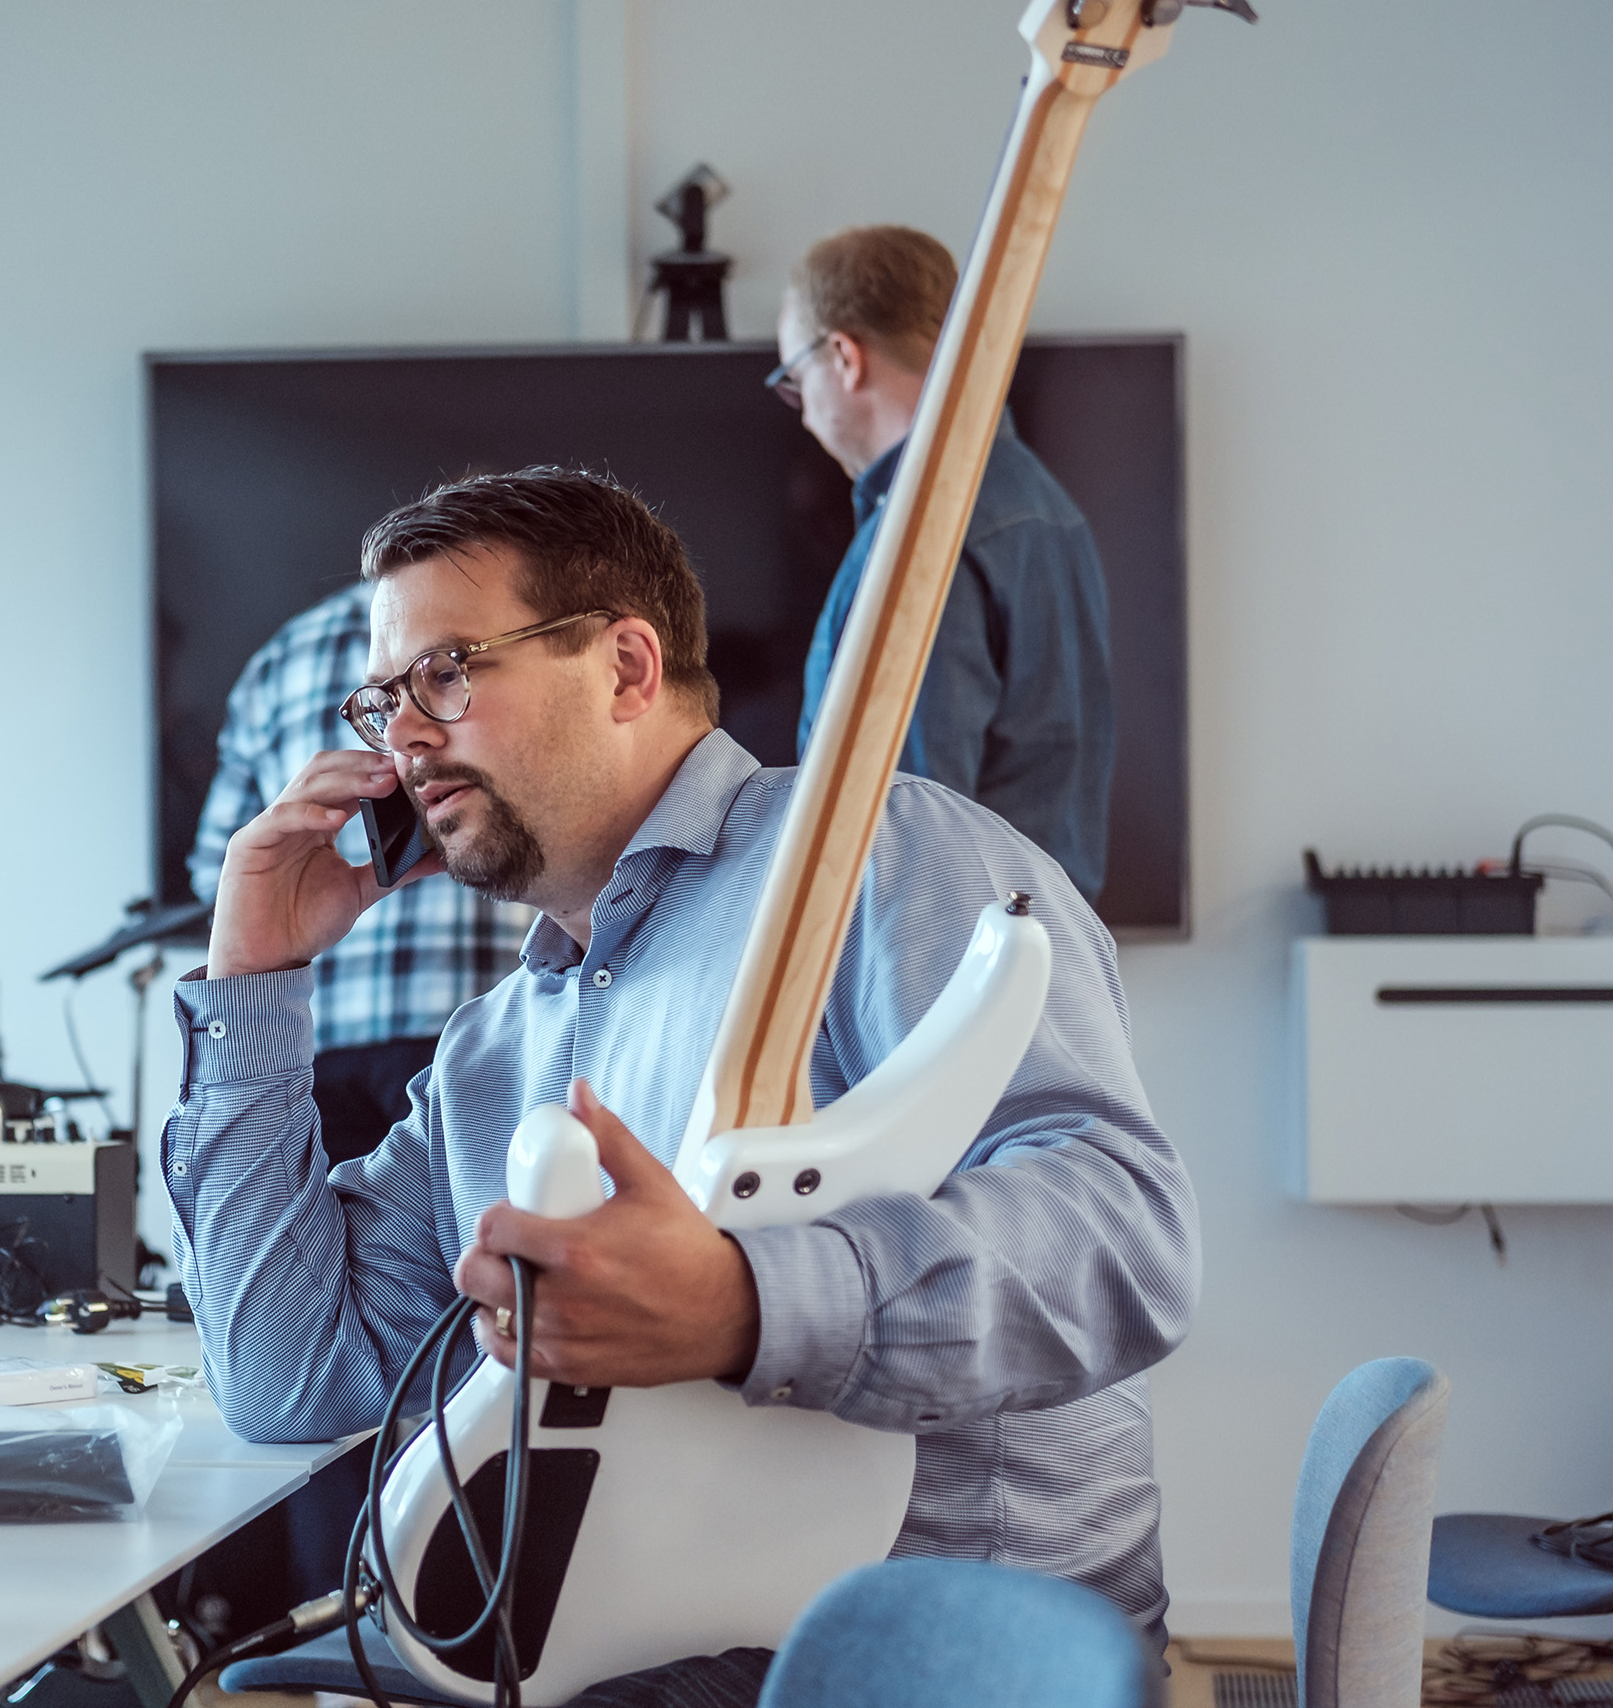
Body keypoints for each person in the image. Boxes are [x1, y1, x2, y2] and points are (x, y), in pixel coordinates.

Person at [169, 469, 1196, 1705]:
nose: (403, 738)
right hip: (619, 1641)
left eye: (447, 673)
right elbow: (289, 1376)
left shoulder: (874, 859)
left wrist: (745, 1307)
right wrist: (253, 979)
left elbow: (1126, 1244)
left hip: (924, 1656)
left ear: (627, 668)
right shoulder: (491, 1053)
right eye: (384, 699)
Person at [777, 224, 1115, 900]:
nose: (805, 415)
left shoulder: (923, 537)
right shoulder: (1045, 507)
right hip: (1031, 958)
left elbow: (910, 847)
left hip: (942, 981)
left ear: (844, 357)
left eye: (795, 381)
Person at [191, 579, 534, 1166]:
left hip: (325, 1028)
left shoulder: (278, 659)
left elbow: (219, 868)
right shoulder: (493, 609)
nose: (402, 736)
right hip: (487, 1015)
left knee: (327, 1246)